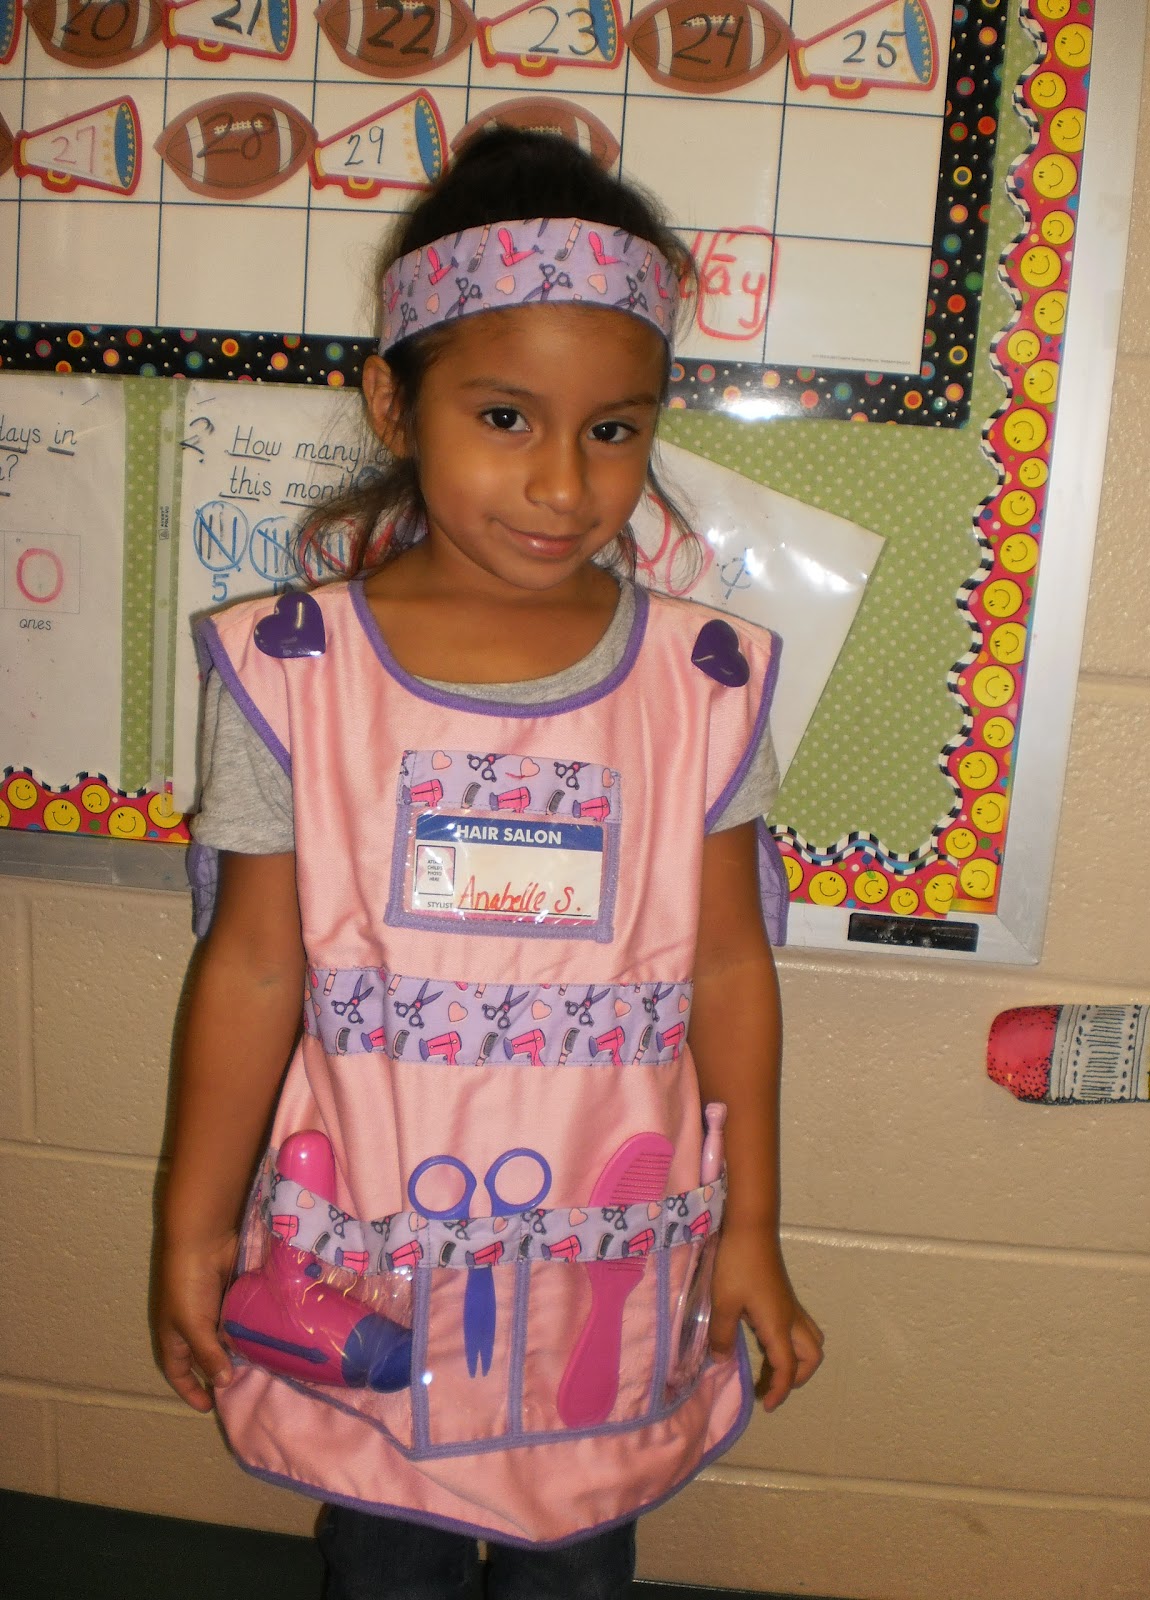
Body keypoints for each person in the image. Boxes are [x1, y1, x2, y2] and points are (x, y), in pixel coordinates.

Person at [154, 128, 823, 1599]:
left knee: (578, 1574)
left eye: (614, 429)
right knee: (381, 1563)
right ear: (396, 398)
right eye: (507, 416)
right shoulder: (295, 672)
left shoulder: (699, 682)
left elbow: (727, 963)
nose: (565, 484)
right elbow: (255, 963)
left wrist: (755, 1228)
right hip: (366, 1268)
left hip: (605, 1274)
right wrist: (193, 1226)